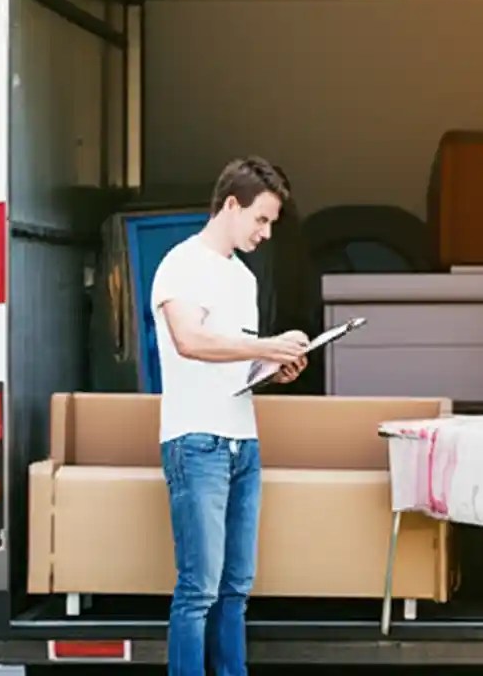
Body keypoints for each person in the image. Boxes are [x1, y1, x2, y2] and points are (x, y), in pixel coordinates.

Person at [150, 156, 309, 676]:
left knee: (236, 589)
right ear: (232, 205)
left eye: (272, 224)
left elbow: (237, 357)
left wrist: (273, 367)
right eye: (261, 220)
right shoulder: (181, 263)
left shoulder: (243, 279)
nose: (266, 233)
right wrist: (265, 345)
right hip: (196, 444)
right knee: (199, 590)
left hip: (244, 442)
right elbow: (190, 340)